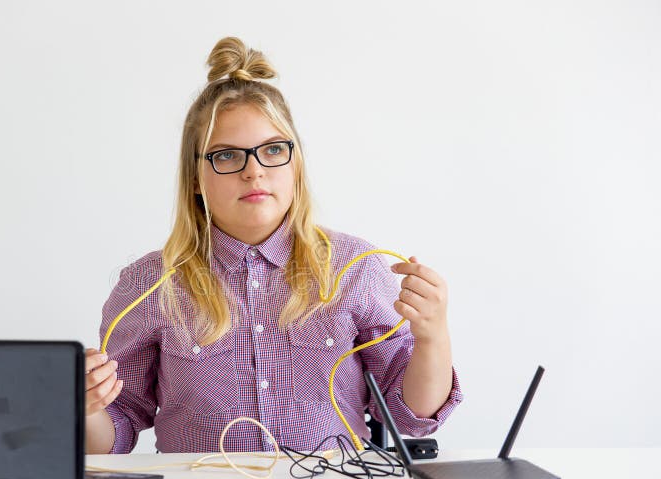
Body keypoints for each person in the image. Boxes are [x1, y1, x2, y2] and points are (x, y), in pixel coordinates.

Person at [84, 36, 463, 455]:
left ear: (295, 164)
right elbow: (112, 435)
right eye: (227, 156)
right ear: (195, 178)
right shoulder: (149, 284)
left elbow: (414, 416)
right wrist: (86, 409)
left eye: (272, 151)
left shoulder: (354, 269)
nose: (253, 172)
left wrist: (433, 336)